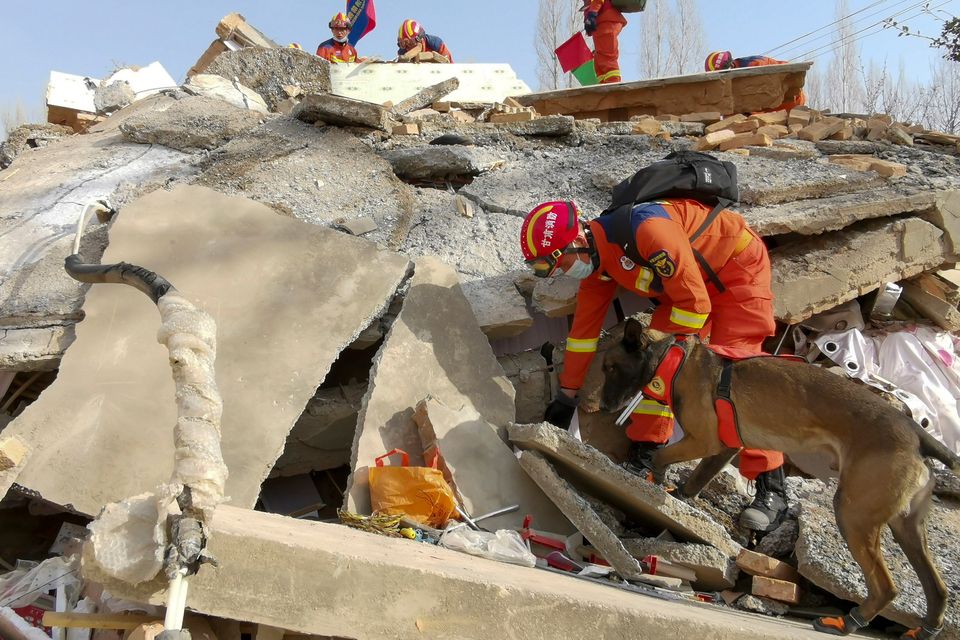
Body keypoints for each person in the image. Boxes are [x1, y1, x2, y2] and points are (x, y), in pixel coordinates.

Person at [519, 198, 788, 532]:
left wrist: (668, 351)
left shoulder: (649, 231)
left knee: (741, 377)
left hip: (737, 271)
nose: (558, 273)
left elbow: (695, 304)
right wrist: (567, 395)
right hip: (691, 289)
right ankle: (647, 459)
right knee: (656, 370)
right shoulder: (599, 267)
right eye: (546, 269)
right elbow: (582, 336)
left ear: (578, 241)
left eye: (555, 263)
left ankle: (771, 488)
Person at [704, 51, 806, 111]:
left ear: (731, 65)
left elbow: (791, 75)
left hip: (791, 106)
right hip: (771, 112)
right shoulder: (734, 81)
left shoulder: (756, 66)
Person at [582, 0, 627, 84]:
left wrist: (592, 14)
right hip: (602, 22)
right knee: (599, 60)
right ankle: (603, 85)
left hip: (606, 21)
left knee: (607, 57)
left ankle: (612, 84)